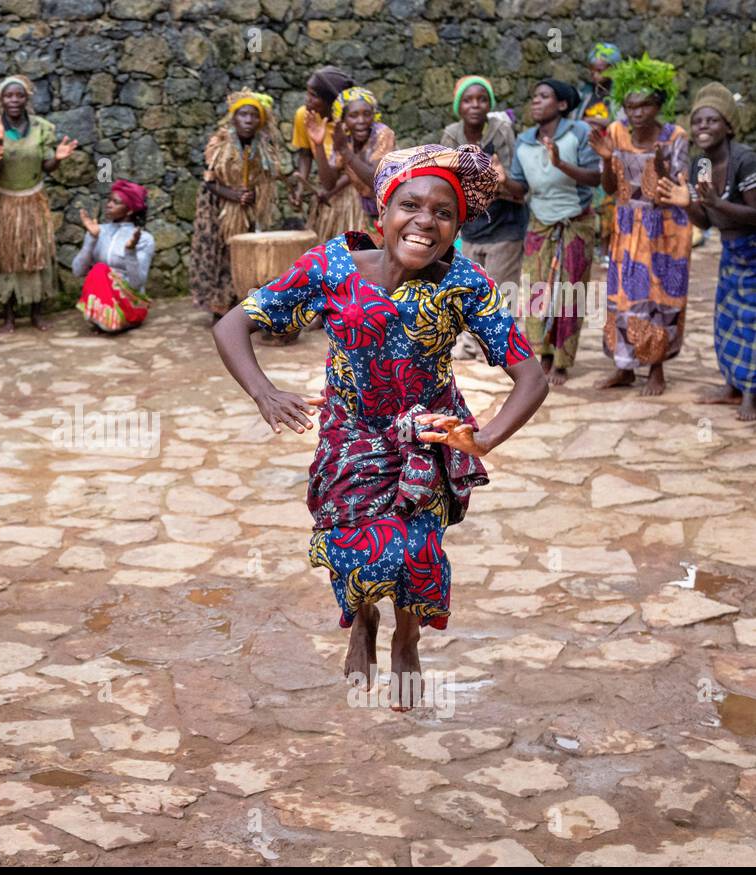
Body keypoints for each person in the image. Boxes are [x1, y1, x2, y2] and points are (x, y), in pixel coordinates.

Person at [211, 143, 547, 710]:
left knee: (416, 552)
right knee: (353, 548)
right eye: (410, 206)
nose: (424, 222)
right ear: (383, 211)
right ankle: (364, 619)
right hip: (350, 436)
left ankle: (406, 639)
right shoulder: (330, 267)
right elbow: (231, 325)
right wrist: (264, 392)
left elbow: (532, 377)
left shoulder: (465, 283)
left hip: (427, 440)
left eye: (443, 213)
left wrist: (483, 438)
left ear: (456, 227)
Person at [657, 83, 756, 420]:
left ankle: (751, 393)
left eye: (712, 121)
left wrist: (717, 201)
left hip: (752, 251)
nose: (702, 127)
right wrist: (687, 205)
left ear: (728, 125)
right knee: (726, 319)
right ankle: (732, 385)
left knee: (751, 322)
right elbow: (707, 221)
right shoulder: (700, 165)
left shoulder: (745, 160)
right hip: (730, 252)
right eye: (697, 121)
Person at [594, 54, 690, 397]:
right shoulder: (617, 133)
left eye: (644, 106)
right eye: (630, 106)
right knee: (623, 298)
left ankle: (656, 368)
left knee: (658, 297)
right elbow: (608, 188)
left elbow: (672, 189)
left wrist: (661, 167)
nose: (636, 113)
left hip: (663, 227)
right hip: (627, 225)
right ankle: (624, 367)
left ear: (658, 105)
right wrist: (607, 159)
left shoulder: (675, 136)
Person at [497, 78, 602, 385]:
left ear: (562, 105)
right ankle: (543, 353)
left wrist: (560, 163)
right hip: (539, 222)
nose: (536, 101)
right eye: (534, 96)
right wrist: (502, 179)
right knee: (536, 292)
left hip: (575, 222)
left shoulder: (579, 133)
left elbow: (595, 178)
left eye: (544, 96)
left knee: (571, 292)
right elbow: (521, 188)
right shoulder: (525, 141)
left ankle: (563, 361)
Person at [0, 75, 77, 332]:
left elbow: (46, 166)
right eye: (9, 96)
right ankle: (9, 316)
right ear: (1, 99)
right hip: (6, 202)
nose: (14, 100)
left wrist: (59, 159)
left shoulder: (41, 127)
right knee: (6, 257)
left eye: (19, 95)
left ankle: (36, 313)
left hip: (33, 199)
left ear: (26, 98)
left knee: (36, 254)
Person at [190, 89, 284, 324]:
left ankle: (244, 305)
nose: (248, 120)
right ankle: (220, 307)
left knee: (246, 256)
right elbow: (209, 181)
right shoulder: (219, 143)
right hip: (220, 209)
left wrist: (255, 194)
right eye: (243, 114)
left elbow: (268, 179)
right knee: (221, 254)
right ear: (233, 117)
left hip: (248, 211)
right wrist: (231, 194)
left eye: (253, 115)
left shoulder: (264, 146)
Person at [440, 76, 527, 311]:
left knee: (500, 297)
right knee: (470, 294)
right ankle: (471, 347)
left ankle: (502, 346)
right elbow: (448, 179)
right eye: (467, 100)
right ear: (458, 107)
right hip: (470, 227)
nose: (475, 105)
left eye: (482, 99)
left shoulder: (501, 130)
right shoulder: (452, 134)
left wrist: (493, 182)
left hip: (505, 224)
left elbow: (512, 179)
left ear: (490, 104)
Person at [73, 179, 156, 332]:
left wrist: (130, 252)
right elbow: (77, 271)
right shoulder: (99, 231)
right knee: (98, 270)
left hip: (130, 302)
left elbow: (137, 284)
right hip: (103, 300)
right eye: (109, 200)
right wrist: (91, 239)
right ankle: (107, 320)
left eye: (115, 202)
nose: (109, 204)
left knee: (99, 269)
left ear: (129, 210)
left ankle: (113, 320)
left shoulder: (144, 239)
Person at [314, 87, 396, 241]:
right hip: (370, 210)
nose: (361, 121)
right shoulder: (345, 138)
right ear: (343, 120)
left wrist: (345, 151)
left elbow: (376, 180)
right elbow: (329, 184)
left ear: (374, 115)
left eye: (367, 114)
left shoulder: (382, 134)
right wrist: (318, 145)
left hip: (390, 208)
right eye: (353, 116)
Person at [288, 66, 354, 236]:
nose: (306, 99)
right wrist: (300, 189)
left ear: (331, 101)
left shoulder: (352, 121)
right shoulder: (304, 116)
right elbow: (305, 153)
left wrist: (332, 191)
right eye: (307, 93)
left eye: (314, 95)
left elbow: (356, 166)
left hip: (352, 193)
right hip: (326, 184)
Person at [579, 42, 626, 256]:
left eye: (603, 69)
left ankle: (608, 248)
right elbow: (578, 119)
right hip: (588, 154)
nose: (597, 75)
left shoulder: (619, 98)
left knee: (610, 202)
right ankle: (596, 243)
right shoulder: (587, 95)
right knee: (593, 202)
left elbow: (622, 122)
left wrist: (601, 121)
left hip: (612, 154)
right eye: (594, 70)